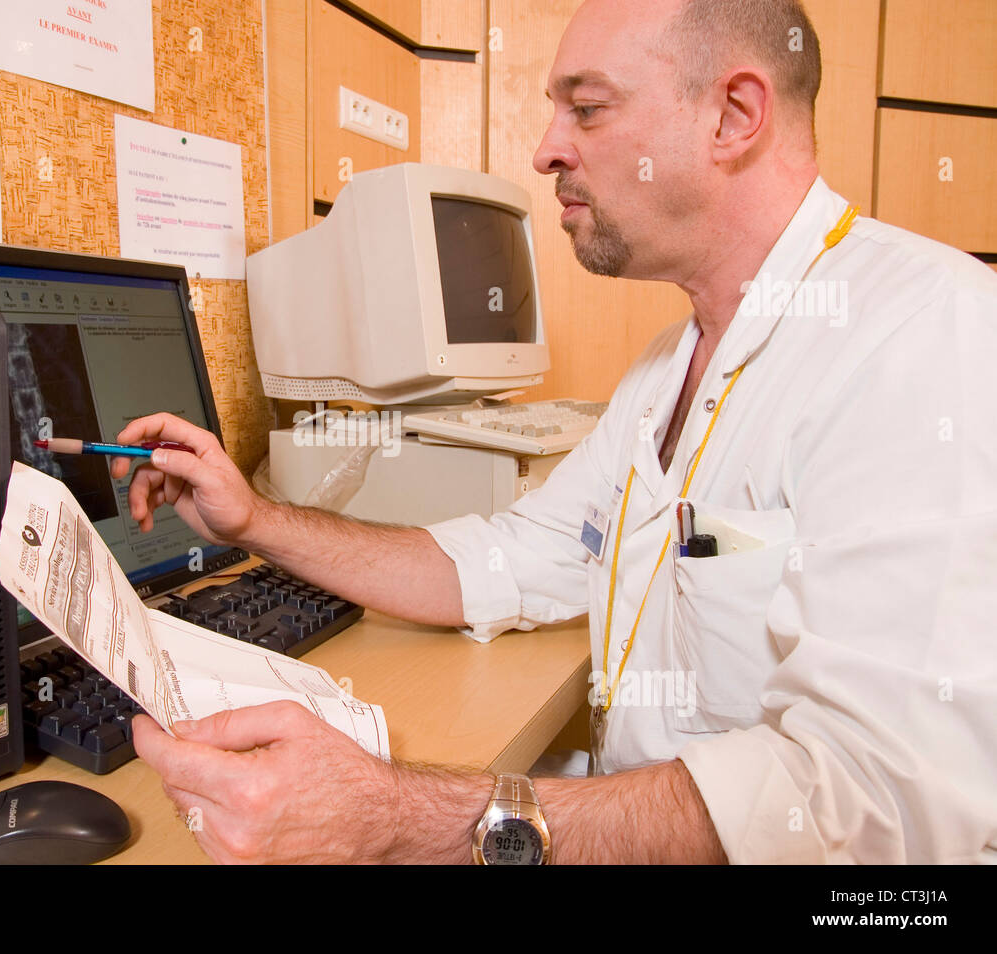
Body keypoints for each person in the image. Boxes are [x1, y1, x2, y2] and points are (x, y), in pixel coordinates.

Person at [110, 0, 997, 863]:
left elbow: (867, 802)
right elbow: (513, 557)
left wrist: (398, 816)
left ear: (734, 115)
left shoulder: (924, 334)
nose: (546, 150)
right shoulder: (667, 365)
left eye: (588, 107)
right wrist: (257, 521)